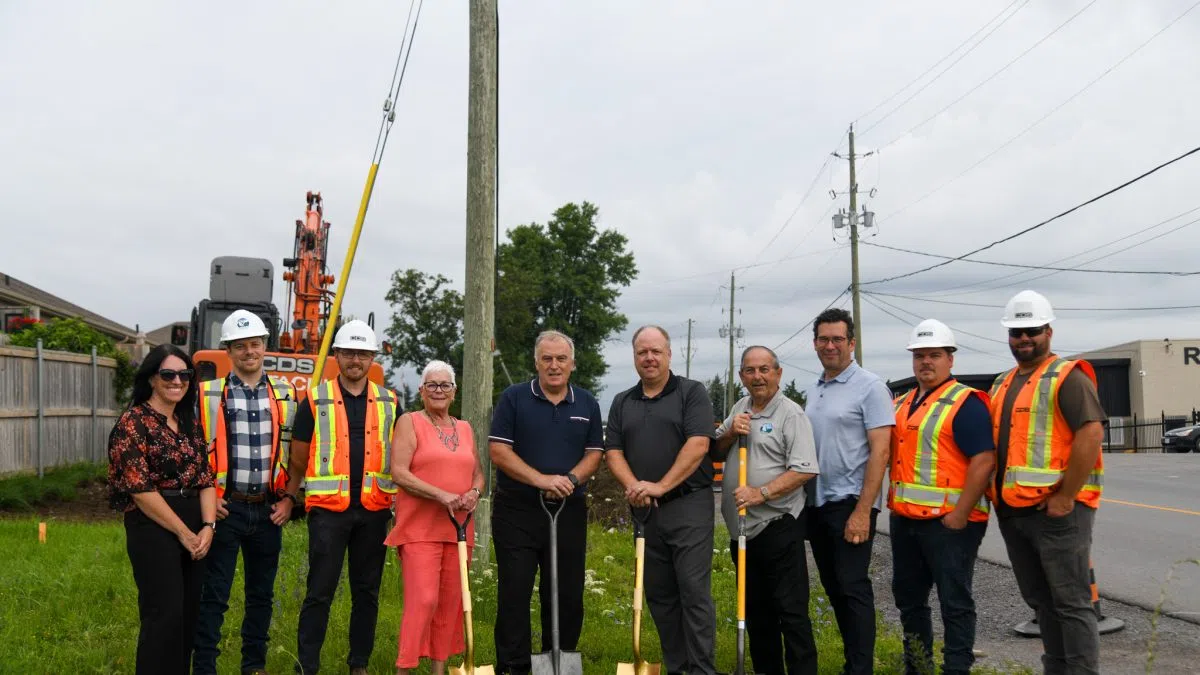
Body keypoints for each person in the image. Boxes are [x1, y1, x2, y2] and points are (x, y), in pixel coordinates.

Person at [991, 290, 1105, 674]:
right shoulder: (1004, 382)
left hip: (1058, 514)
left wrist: (1066, 496)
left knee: (1071, 603)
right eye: (1017, 332)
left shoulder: (1066, 377)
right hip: (1015, 510)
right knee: (1042, 602)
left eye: (1032, 331)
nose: (1024, 339)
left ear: (1049, 331)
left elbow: (1091, 434)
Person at [283, 320, 399, 675]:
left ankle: (359, 664)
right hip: (329, 513)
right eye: (349, 352)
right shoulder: (314, 400)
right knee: (319, 592)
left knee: (367, 593)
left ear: (372, 359)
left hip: (374, 511)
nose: (355, 360)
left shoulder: (390, 401)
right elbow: (299, 457)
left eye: (363, 354)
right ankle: (309, 666)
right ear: (336, 356)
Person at [488, 330, 604, 675]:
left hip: (567, 509)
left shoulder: (587, 403)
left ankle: (558, 659)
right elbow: (499, 450)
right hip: (518, 510)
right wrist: (540, 480)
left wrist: (569, 480)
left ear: (572, 363)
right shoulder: (514, 398)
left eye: (561, 359)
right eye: (547, 359)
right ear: (536, 362)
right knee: (515, 590)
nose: (554, 366)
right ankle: (514, 665)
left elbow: (594, 452)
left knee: (567, 593)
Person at [605, 325, 716, 675]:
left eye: (656, 351)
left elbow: (698, 445)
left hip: (689, 506)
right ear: (635, 357)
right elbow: (613, 451)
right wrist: (636, 487)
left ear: (670, 354)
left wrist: (660, 486)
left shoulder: (691, 393)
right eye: (642, 352)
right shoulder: (623, 401)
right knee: (660, 595)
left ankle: (701, 669)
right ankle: (677, 668)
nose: (649, 358)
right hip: (644, 511)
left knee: (693, 591)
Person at [193, 309, 298, 675]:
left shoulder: (285, 394)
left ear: (265, 346)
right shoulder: (207, 394)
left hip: (268, 511)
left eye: (255, 344)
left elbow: (297, 453)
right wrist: (207, 499)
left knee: (261, 597)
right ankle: (204, 667)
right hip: (225, 510)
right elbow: (192, 451)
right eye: (240, 346)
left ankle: (253, 667)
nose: (249, 352)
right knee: (214, 596)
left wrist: (290, 499)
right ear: (229, 351)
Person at [887, 320, 995, 675]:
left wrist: (960, 515)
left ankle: (956, 669)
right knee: (910, 601)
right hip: (907, 521)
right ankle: (918, 667)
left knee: (954, 603)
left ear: (951, 359)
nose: (925, 362)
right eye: (919, 356)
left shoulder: (965, 403)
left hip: (950, 525)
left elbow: (984, 460)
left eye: (934, 355)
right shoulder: (902, 404)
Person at [108, 344, 217, 674]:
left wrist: (208, 527)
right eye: (168, 374)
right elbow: (140, 490)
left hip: (196, 523)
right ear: (152, 379)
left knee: (187, 615)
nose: (177, 381)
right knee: (164, 614)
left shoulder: (189, 423)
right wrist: (184, 534)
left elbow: (206, 478)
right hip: (152, 525)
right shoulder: (133, 423)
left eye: (184, 375)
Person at [711, 346, 820, 675]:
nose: (757, 376)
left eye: (764, 370)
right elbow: (716, 449)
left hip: (777, 527)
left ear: (777, 373)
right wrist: (731, 431)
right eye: (750, 370)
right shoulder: (740, 407)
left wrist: (762, 492)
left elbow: (805, 470)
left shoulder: (791, 415)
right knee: (756, 611)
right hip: (742, 533)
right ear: (741, 375)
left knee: (791, 611)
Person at [803, 308, 894, 675]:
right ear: (815, 344)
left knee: (853, 587)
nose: (830, 346)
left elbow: (881, 450)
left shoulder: (871, 387)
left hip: (851, 503)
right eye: (823, 339)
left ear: (851, 343)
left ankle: (860, 669)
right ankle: (851, 663)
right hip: (817, 503)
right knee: (833, 586)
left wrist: (863, 510)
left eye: (838, 339)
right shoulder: (815, 388)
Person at [386, 360, 486, 675]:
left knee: (449, 604)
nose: (438, 390)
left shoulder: (466, 428)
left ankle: (438, 670)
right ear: (422, 390)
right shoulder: (409, 422)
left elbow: (479, 475)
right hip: (419, 529)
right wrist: (440, 494)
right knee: (424, 601)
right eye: (432, 385)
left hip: (458, 531)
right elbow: (399, 472)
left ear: (454, 392)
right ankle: (405, 667)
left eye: (445, 385)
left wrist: (474, 493)